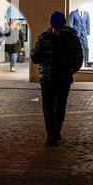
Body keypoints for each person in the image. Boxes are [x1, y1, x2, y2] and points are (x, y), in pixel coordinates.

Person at [31, 11, 84, 145]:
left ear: (51, 23)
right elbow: (79, 57)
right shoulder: (72, 37)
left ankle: (50, 134)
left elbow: (35, 58)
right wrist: (72, 70)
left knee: (48, 106)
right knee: (60, 106)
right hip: (64, 77)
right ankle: (56, 132)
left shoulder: (44, 37)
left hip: (47, 77)